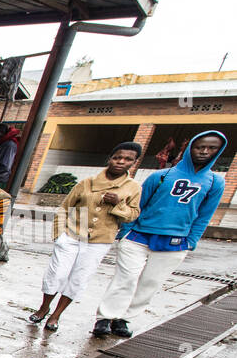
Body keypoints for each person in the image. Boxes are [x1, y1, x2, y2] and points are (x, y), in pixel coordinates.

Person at [93, 131, 228, 338]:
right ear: (191, 147)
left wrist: (190, 241)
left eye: (211, 148)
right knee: (126, 278)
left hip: (175, 242)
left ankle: (123, 319)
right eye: (200, 146)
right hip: (139, 237)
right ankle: (105, 317)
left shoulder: (215, 182)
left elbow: (204, 215)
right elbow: (138, 206)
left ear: (218, 152)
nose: (204, 151)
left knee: (150, 282)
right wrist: (126, 233)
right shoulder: (161, 176)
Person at [29, 143, 143, 333]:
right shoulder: (87, 182)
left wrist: (118, 204)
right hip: (72, 235)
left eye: (128, 159)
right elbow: (65, 208)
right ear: (110, 158)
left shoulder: (133, 188)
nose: (121, 161)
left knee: (78, 279)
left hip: (100, 241)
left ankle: (56, 315)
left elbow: (133, 215)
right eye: (117, 157)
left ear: (134, 162)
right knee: (56, 274)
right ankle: (43, 307)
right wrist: (59, 234)